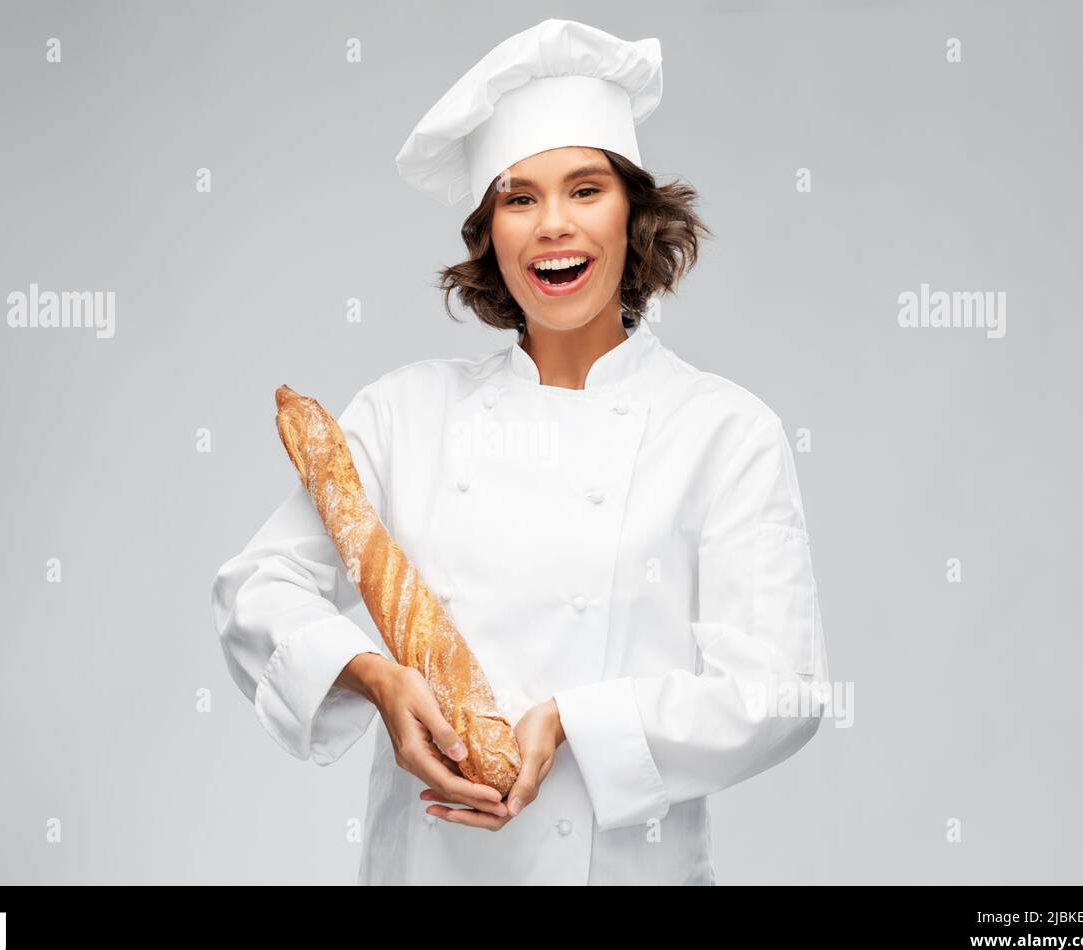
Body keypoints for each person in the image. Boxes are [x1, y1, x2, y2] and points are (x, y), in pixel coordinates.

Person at [211, 18, 829, 885]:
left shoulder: (724, 432)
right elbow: (256, 588)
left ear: (635, 214)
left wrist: (578, 720)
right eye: (519, 198)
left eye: (586, 189)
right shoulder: (405, 412)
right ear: (489, 236)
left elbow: (779, 690)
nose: (553, 226)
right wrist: (376, 678)